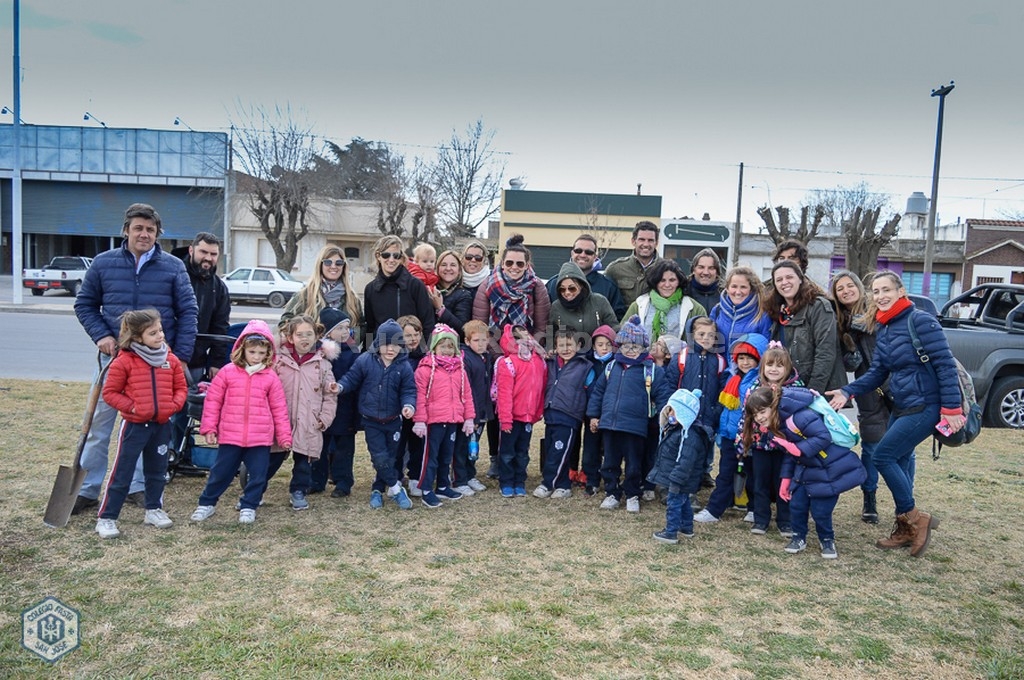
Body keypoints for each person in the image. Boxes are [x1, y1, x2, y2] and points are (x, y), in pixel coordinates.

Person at [827, 271, 965, 558]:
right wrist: (847, 391)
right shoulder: (886, 327)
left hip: (926, 405)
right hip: (902, 404)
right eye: (876, 291)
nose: (881, 296)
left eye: (886, 290)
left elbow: (945, 365)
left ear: (901, 291)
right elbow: (878, 372)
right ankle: (905, 526)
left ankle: (915, 518)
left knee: (883, 457)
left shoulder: (921, 321)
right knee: (898, 459)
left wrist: (951, 408)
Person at [73, 203, 198, 515]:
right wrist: (102, 336)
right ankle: (87, 489)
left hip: (156, 363)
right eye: (139, 228)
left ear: (157, 234)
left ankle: (137, 487)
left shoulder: (173, 267)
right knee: (99, 425)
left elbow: (188, 312)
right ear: (126, 230)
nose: (144, 234)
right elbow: (85, 304)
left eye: (151, 230)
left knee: (147, 425)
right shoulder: (103, 264)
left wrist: (178, 356)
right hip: (114, 360)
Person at [95, 309, 187, 539]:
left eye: (161, 330)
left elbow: (181, 389)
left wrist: (171, 406)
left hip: (161, 426)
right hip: (135, 426)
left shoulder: (170, 359)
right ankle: (107, 518)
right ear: (137, 337)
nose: (160, 336)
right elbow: (111, 393)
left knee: (157, 471)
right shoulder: (124, 361)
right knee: (123, 472)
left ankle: (153, 509)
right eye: (153, 333)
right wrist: (133, 407)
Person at [744, 386, 866, 559]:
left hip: (827, 470)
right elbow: (789, 455)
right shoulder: (776, 426)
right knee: (797, 506)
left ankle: (827, 540)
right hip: (804, 470)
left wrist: (796, 449)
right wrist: (786, 479)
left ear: (774, 405)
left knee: (821, 511)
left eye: (762, 411)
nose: (759, 418)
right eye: (755, 415)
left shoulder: (800, 416)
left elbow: (823, 437)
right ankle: (798, 537)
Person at [190, 320, 293, 525]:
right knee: (220, 472)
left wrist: (284, 436)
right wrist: (208, 427)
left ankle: (249, 505)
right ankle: (207, 504)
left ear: (268, 354)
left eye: (261, 353)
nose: (256, 357)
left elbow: (279, 409)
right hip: (230, 435)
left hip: (260, 438)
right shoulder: (227, 372)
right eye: (252, 352)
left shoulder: (270, 378)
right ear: (242, 349)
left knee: (258, 475)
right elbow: (213, 401)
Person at [586, 315, 673, 513]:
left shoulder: (651, 371)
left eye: (635, 346)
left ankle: (633, 493)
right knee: (609, 461)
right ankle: (611, 492)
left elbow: (663, 395)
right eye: (626, 345)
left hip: (635, 426)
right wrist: (593, 415)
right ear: (619, 346)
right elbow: (598, 393)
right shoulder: (611, 368)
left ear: (643, 348)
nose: (630, 350)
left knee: (634, 463)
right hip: (609, 424)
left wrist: (666, 417)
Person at [338, 318, 416, 510]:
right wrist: (340, 386)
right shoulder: (365, 360)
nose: (391, 349)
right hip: (371, 420)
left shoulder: (403, 366)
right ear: (378, 342)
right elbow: (351, 379)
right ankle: (397, 488)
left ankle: (377, 489)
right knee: (379, 457)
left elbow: (409, 390)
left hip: (393, 420)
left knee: (389, 458)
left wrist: (408, 405)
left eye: (396, 345)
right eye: (387, 344)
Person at [830, 270, 888, 524]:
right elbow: (848, 362)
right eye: (840, 289)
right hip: (867, 387)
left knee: (905, 448)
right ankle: (870, 498)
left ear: (859, 286)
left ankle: (905, 501)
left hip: (894, 384)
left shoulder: (879, 312)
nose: (846, 291)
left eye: (849, 285)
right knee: (872, 443)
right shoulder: (839, 321)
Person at [267, 314, 338, 511]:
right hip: (281, 419)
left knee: (304, 461)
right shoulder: (277, 361)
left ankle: (298, 490)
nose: (305, 339)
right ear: (290, 337)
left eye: (309, 334)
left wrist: (324, 418)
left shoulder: (322, 364)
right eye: (300, 334)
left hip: (309, 420)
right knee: (272, 458)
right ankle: (256, 489)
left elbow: (330, 395)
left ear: (316, 337)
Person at [695, 334, 769, 524]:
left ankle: (754, 508)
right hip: (730, 436)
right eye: (741, 358)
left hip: (751, 436)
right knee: (726, 473)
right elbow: (727, 408)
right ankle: (715, 509)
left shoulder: (760, 382)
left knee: (753, 474)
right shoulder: (732, 378)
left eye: (749, 358)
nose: (744, 362)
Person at [411, 324, 476, 508]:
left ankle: (442, 485)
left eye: (450, 347)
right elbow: (420, 397)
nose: (447, 351)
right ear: (434, 347)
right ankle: (426, 489)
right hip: (433, 421)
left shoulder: (460, 370)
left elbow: (467, 395)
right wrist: (420, 421)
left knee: (446, 456)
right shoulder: (425, 369)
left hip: (453, 420)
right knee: (430, 457)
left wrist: (469, 417)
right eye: (443, 346)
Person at [744, 344, 803, 536]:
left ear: (787, 368)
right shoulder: (754, 388)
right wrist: (743, 440)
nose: (774, 369)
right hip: (761, 445)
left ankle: (785, 520)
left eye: (779, 365)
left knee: (783, 483)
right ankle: (761, 519)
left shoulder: (796, 389)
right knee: (760, 483)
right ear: (762, 367)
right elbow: (746, 417)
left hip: (785, 448)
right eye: (770, 364)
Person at [663, 316, 728, 490]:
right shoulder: (681, 357)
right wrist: (672, 409)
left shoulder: (720, 361)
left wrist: (716, 412)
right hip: (681, 417)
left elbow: (723, 391)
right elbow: (670, 384)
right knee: (676, 452)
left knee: (698, 455)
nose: (706, 338)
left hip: (707, 418)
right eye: (701, 334)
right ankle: (668, 487)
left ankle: (692, 490)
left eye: (710, 335)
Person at [763, 260, 846, 394]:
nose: (784, 282)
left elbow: (825, 353)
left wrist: (812, 392)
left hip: (817, 390)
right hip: (789, 388)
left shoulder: (819, 306)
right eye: (779, 279)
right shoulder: (777, 311)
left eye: (789, 277)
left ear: (801, 279)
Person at [535, 328, 594, 500]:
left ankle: (547, 484)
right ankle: (562, 485)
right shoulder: (551, 361)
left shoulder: (585, 366)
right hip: (551, 413)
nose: (565, 349)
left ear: (579, 345)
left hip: (569, 415)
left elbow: (590, 392)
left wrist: (590, 415)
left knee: (558, 452)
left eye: (569, 344)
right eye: (561, 345)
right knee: (551, 450)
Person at [311, 308, 360, 498]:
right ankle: (316, 480)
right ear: (328, 332)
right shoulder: (318, 353)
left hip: (345, 406)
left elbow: (355, 376)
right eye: (341, 328)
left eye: (348, 327)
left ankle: (343, 482)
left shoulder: (353, 352)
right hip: (321, 406)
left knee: (344, 447)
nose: (346, 332)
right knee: (319, 446)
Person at [494, 324, 547, 498]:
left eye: (525, 335)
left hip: (528, 416)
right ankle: (506, 481)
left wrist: (537, 412)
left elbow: (540, 389)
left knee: (523, 451)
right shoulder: (508, 362)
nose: (524, 339)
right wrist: (506, 419)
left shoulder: (539, 361)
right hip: (512, 416)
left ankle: (520, 480)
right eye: (518, 337)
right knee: (508, 452)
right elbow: (504, 394)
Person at [648, 389, 704, 543]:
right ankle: (686, 527)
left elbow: (686, 461)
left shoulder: (690, 436)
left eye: (674, 410)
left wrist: (676, 479)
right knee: (684, 501)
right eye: (670, 409)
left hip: (679, 479)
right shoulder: (677, 430)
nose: (670, 414)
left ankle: (671, 532)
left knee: (674, 504)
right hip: (679, 478)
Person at [473, 234, 550, 344]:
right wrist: (498, 356)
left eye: (519, 264)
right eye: (509, 263)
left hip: (528, 349)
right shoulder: (488, 285)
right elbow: (480, 327)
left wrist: (527, 353)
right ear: (503, 264)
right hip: (493, 349)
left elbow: (541, 328)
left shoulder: (537, 286)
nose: (514, 267)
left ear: (526, 266)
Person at [280, 244, 364, 343]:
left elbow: (362, 327)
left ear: (344, 266)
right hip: (311, 354)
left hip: (343, 356)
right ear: (320, 265)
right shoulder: (304, 295)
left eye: (339, 263)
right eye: (328, 262)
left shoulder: (352, 298)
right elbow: (285, 323)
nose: (333, 266)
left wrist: (348, 340)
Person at [363, 235, 435, 343]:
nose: (391, 260)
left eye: (396, 255)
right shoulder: (371, 289)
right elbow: (370, 327)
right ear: (378, 256)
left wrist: (419, 352)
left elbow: (428, 323)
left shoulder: (415, 285)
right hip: (382, 353)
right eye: (386, 255)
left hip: (411, 354)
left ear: (401, 258)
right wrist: (370, 352)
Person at [180, 232, 231, 379]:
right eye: (203, 252)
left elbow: (220, 326)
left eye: (213, 254)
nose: (208, 258)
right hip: (167, 358)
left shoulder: (219, 288)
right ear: (191, 250)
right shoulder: (175, 276)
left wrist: (216, 362)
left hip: (197, 363)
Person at [451, 320, 493, 496]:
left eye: (484, 340)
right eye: (476, 341)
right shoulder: (465, 359)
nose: (481, 344)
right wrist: (472, 416)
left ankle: (470, 475)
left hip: (482, 411)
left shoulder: (486, 357)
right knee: (461, 447)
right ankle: (459, 479)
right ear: (467, 341)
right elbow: (466, 391)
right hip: (468, 414)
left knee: (473, 447)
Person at [546, 234, 626, 319]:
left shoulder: (609, 287)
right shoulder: (553, 285)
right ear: (572, 253)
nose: (583, 255)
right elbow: (544, 319)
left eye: (588, 252)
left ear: (595, 256)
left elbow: (617, 320)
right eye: (578, 251)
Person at [623, 260, 707, 343]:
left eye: (672, 280)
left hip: (680, 356)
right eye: (662, 280)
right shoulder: (638, 305)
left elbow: (704, 340)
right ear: (655, 282)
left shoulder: (695, 308)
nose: (667, 285)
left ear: (679, 281)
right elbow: (623, 336)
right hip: (643, 356)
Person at [581, 325, 616, 496]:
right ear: (594, 345)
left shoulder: (617, 364)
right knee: (591, 449)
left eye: (608, 345)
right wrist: (591, 414)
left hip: (610, 413)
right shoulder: (587, 363)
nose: (604, 348)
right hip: (591, 412)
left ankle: (610, 480)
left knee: (610, 449)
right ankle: (591, 480)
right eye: (600, 344)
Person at [547, 261, 619, 340]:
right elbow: (550, 335)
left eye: (572, 288)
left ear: (581, 286)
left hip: (595, 350)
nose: (567, 293)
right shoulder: (556, 307)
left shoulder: (600, 301)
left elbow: (614, 328)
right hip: (567, 351)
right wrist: (551, 348)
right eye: (562, 289)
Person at [396, 315, 427, 496]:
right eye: (408, 335)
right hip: (399, 411)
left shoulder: (426, 357)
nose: (413, 339)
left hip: (420, 411)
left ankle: (416, 478)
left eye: (416, 334)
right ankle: (396, 478)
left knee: (418, 446)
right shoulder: (395, 357)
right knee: (398, 447)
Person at [709, 266, 772, 353]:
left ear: (751, 289)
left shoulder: (762, 314)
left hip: (747, 366)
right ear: (727, 288)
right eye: (734, 286)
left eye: (743, 287)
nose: (738, 292)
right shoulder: (717, 310)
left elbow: (765, 351)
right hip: (719, 366)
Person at [604, 221, 664, 309]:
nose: (646, 244)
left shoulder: (667, 269)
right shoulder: (615, 269)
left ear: (656, 243)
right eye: (642, 239)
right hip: (624, 321)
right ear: (633, 241)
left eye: (650, 240)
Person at [428, 249, 474, 336]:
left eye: (453, 265)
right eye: (443, 265)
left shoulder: (464, 295)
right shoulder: (429, 290)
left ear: (459, 270)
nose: (448, 268)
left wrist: (440, 309)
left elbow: (463, 329)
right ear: (437, 268)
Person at [686, 248, 724, 313]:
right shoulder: (684, 292)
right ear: (693, 270)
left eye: (711, 268)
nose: (706, 272)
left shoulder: (726, 295)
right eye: (701, 267)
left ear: (717, 272)